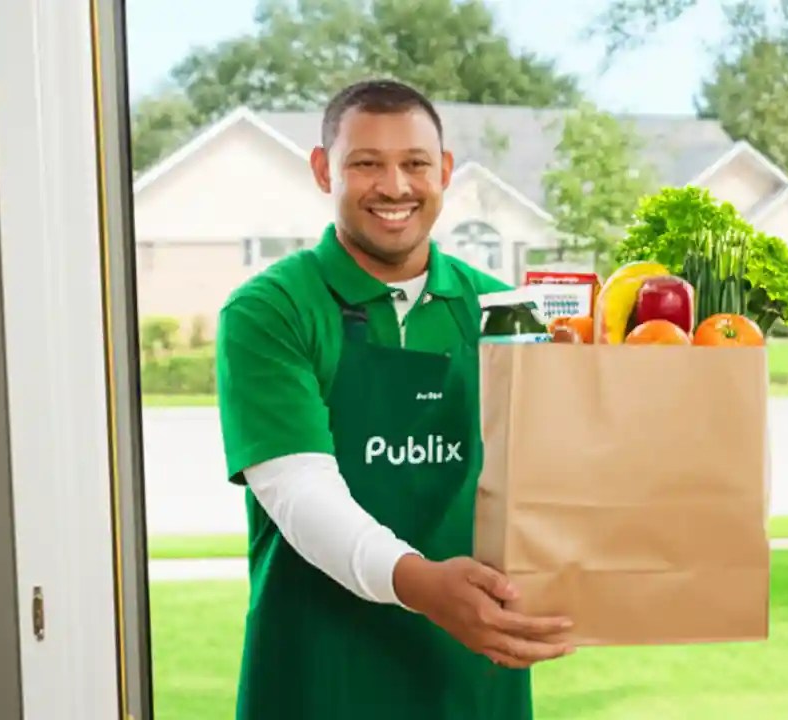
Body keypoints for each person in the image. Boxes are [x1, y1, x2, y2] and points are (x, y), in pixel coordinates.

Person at [215, 79, 573, 720]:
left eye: (414, 164)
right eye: (366, 164)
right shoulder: (271, 310)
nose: (395, 186)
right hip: (317, 678)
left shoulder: (506, 312)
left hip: (470, 681)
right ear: (324, 169)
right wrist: (423, 585)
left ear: (445, 171)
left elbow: (559, 479)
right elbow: (299, 491)